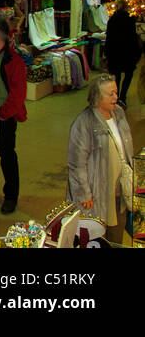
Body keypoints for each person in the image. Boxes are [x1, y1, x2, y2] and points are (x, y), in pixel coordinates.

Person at [67, 73, 135, 243]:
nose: (115, 97)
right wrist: (84, 194)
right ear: (97, 97)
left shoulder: (118, 112)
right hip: (96, 194)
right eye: (110, 94)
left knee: (116, 234)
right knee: (97, 237)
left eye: (116, 92)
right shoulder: (84, 123)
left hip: (118, 190)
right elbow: (76, 163)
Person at [0, 18, 27, 214]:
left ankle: (11, 196)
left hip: (4, 117)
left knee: (7, 157)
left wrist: (3, 114)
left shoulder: (13, 60)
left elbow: (18, 94)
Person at [105, 4, 141, 106]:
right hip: (128, 53)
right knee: (128, 75)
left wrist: (107, 53)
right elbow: (133, 39)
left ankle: (115, 97)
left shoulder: (111, 20)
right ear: (126, 9)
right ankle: (123, 97)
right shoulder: (130, 21)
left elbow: (109, 38)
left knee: (116, 75)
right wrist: (136, 53)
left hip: (114, 53)